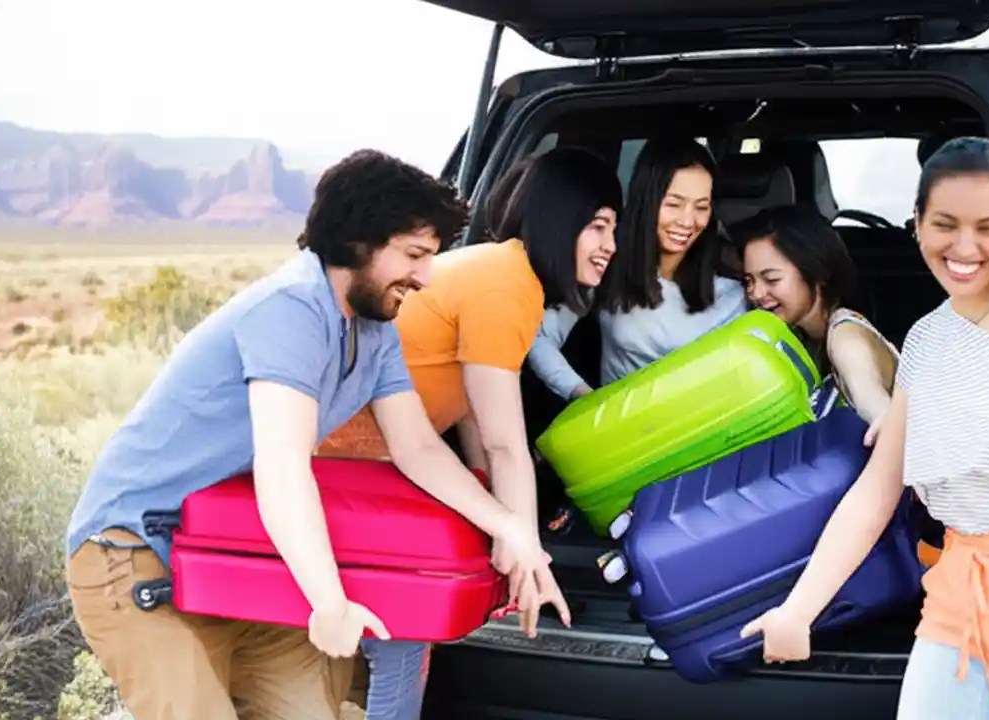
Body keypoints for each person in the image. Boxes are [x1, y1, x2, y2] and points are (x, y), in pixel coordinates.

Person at [64, 149, 568, 720]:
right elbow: (283, 467)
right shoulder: (291, 310)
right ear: (359, 242)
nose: (426, 278)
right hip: (132, 552)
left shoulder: (374, 331)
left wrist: (511, 528)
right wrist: (329, 603)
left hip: (229, 554)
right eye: (414, 255)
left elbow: (419, 448)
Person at [738, 137, 989, 720]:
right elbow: (878, 490)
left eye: (988, 226)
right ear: (918, 227)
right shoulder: (928, 341)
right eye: (944, 224)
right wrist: (799, 609)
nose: (963, 246)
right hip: (958, 601)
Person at [314, 145, 622, 719]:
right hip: (350, 468)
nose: (610, 245)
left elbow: (474, 418)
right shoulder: (506, 283)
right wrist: (529, 556)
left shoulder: (500, 271)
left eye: (614, 229)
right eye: (598, 225)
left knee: (381, 650)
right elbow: (506, 443)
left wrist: (508, 536)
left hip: (366, 465)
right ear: (559, 217)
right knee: (401, 648)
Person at [526, 137, 746, 400]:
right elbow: (540, 338)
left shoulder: (734, 281)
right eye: (674, 204)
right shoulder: (612, 264)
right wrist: (583, 397)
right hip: (624, 432)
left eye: (701, 207)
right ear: (647, 201)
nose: (688, 221)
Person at [732, 203, 896, 446]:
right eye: (749, 281)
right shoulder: (799, 341)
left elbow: (871, 400)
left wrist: (883, 419)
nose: (755, 292)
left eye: (771, 279)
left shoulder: (845, 336)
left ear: (817, 272)